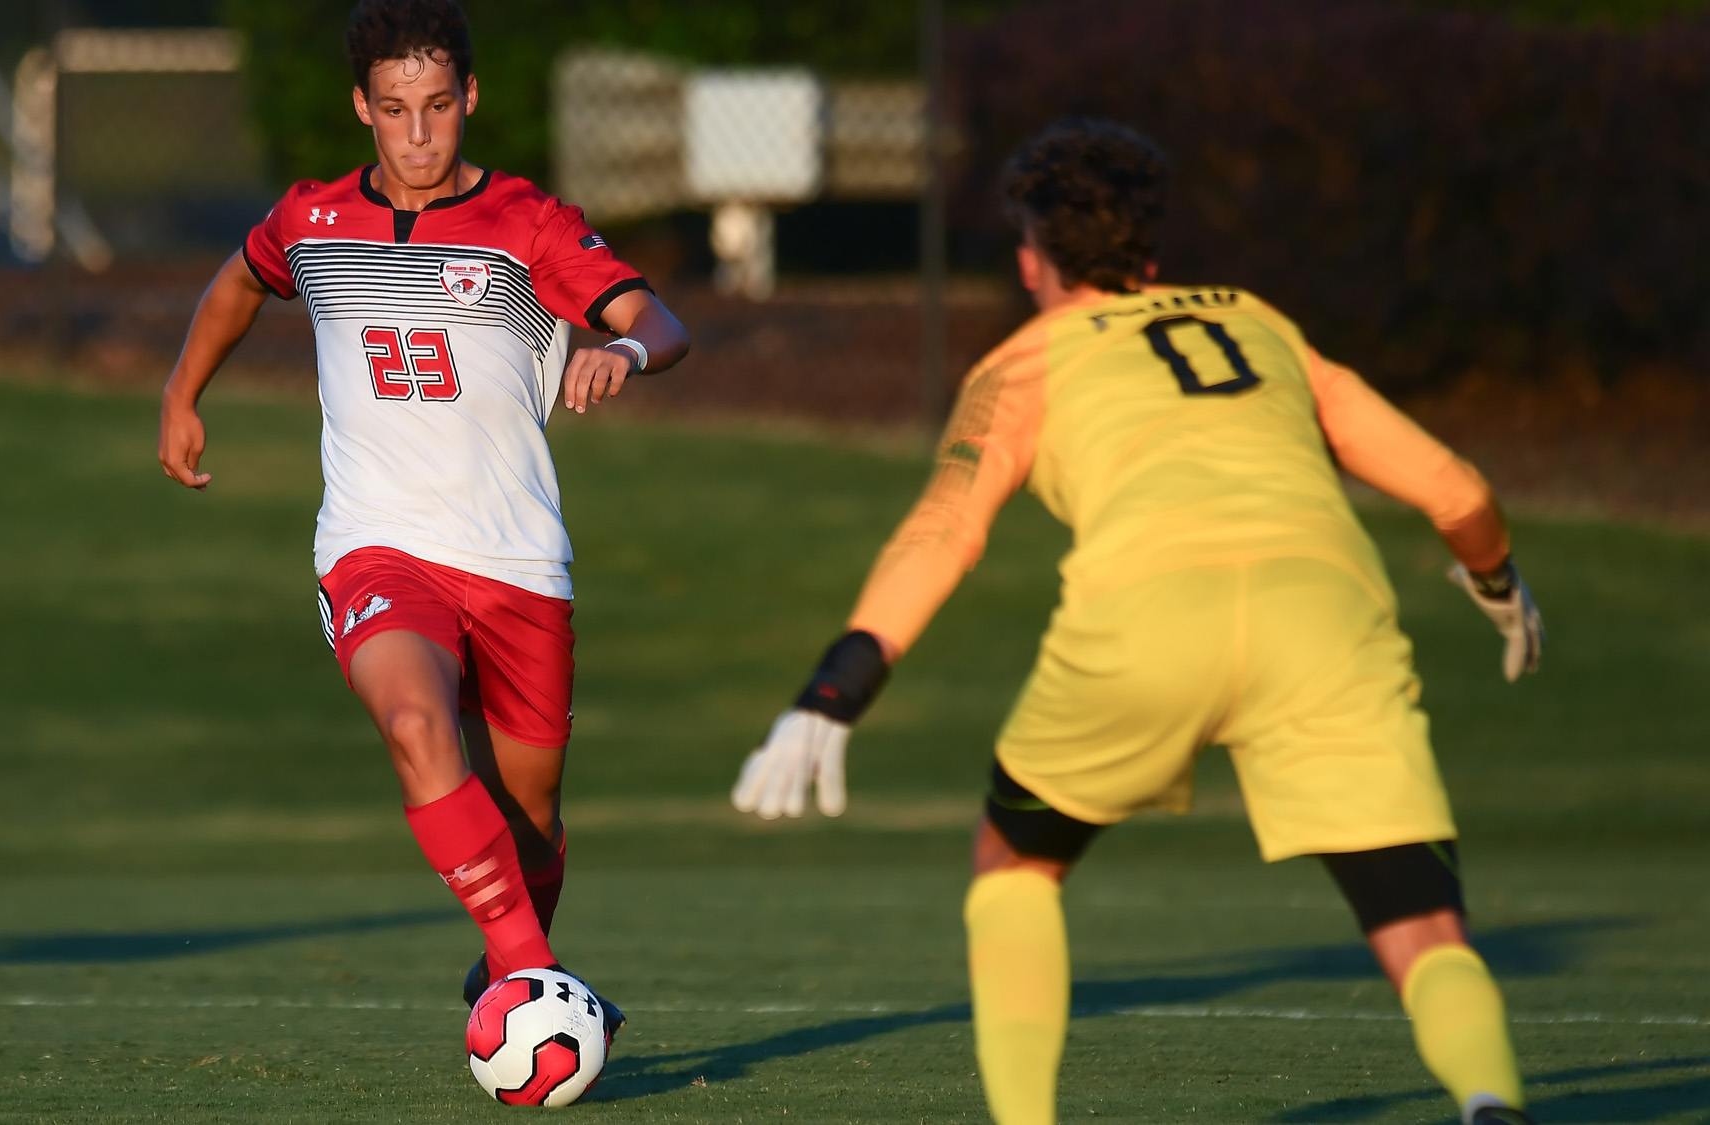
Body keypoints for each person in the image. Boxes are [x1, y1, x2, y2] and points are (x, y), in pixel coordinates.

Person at [730, 117, 1543, 1125]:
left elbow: (942, 533)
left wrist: (835, 689)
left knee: (1015, 863)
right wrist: (1495, 580)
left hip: (1146, 616)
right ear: (1149, 249)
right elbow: (1451, 487)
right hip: (1325, 615)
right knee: (1419, 921)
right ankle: (1486, 1098)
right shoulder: (1256, 321)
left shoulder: (1018, 368)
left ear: (1031, 260)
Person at [158, 0, 688, 1038]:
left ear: (469, 100)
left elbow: (657, 321)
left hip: (516, 559)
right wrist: (183, 391)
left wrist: (618, 352)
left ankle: (510, 956)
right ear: (362, 106)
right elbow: (238, 280)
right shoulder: (311, 220)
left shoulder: (526, 221)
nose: (416, 132)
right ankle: (537, 984)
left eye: (437, 106)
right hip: (376, 545)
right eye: (394, 108)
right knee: (415, 722)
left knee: (527, 826)